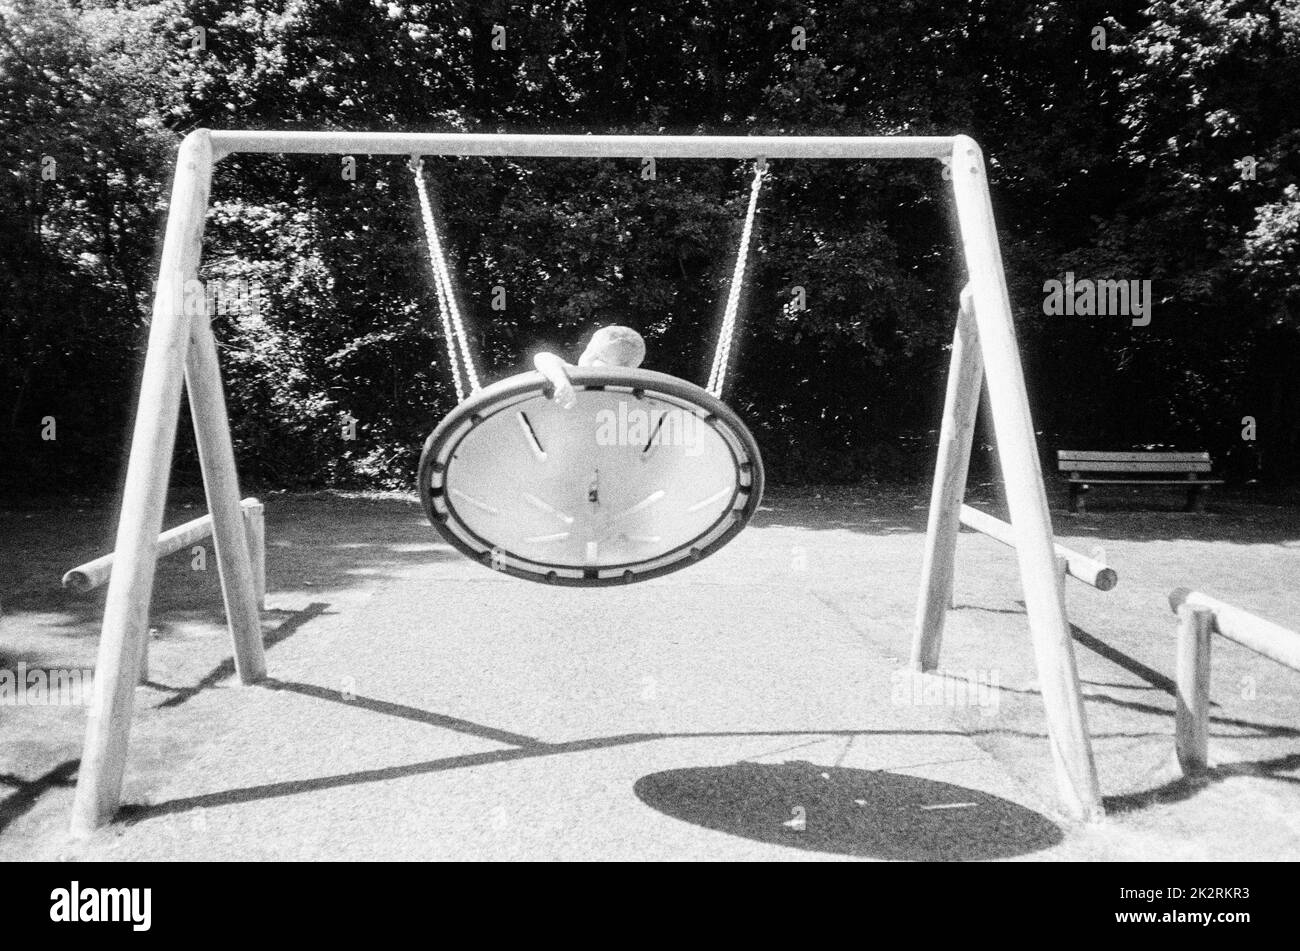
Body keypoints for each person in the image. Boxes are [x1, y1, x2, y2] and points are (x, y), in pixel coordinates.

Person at [533, 325, 646, 409]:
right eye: (589, 350)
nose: (588, 358)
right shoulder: (571, 379)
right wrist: (560, 380)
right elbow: (543, 357)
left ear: (623, 372)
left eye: (599, 358)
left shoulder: (626, 397)